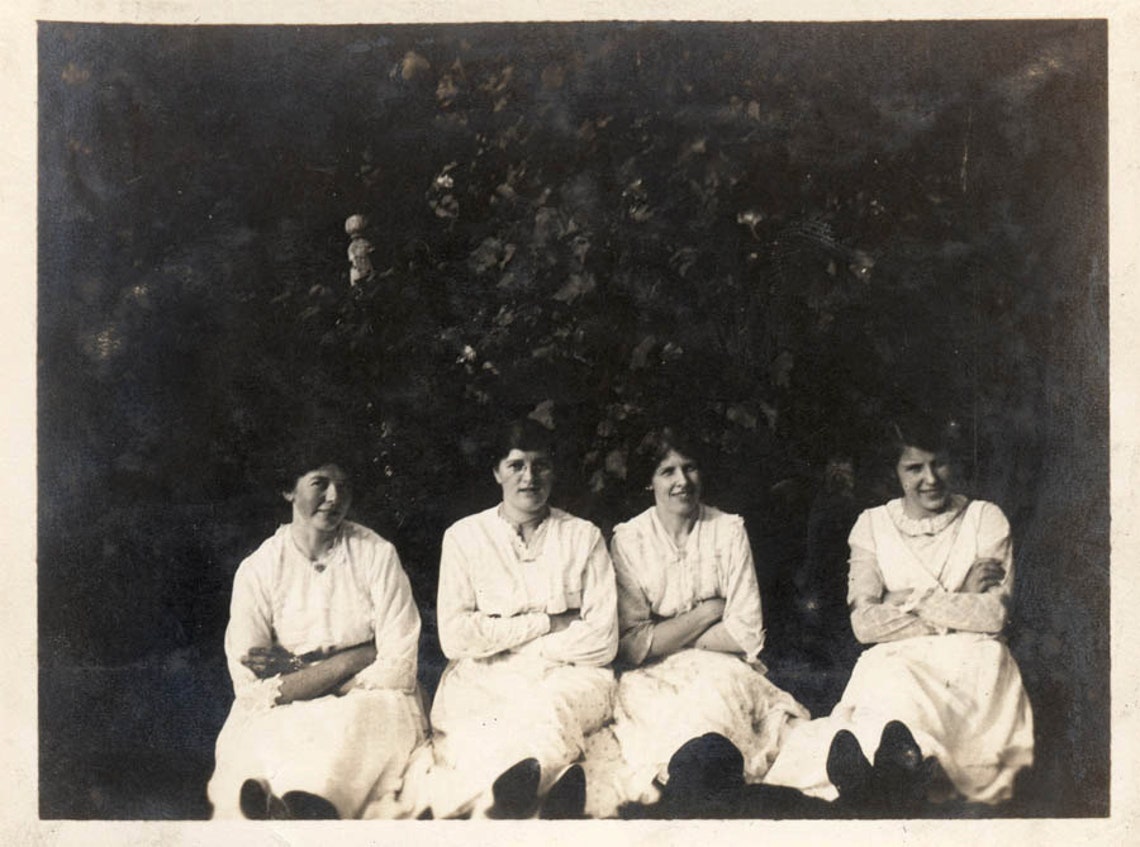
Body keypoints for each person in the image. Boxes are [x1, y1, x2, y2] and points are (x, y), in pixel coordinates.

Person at [763, 417, 1034, 811]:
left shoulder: (984, 518)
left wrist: (903, 599)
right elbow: (864, 624)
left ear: (953, 463)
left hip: (972, 657)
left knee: (946, 687)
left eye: (939, 464)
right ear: (895, 472)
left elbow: (993, 616)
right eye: (914, 468)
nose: (930, 479)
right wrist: (957, 597)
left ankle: (894, 777)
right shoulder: (872, 525)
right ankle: (883, 776)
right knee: (891, 682)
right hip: (897, 657)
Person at [597, 428, 810, 815]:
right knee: (669, 720)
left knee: (714, 700)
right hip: (651, 675)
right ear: (650, 481)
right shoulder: (630, 540)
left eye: (690, 468)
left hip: (721, 665)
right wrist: (709, 612)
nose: (682, 481)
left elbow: (745, 632)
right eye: (668, 471)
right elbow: (631, 644)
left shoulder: (727, 530)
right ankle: (686, 793)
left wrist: (666, 633)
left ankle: (717, 792)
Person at [207, 448, 428, 819]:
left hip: (371, 702)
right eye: (320, 483)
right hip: (289, 709)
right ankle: (278, 805)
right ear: (289, 491)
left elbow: (399, 669)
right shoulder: (258, 570)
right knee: (267, 742)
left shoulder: (376, 555)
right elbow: (251, 691)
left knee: (356, 724)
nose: (334, 497)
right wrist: (357, 657)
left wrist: (299, 674)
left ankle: (311, 804)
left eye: (343, 486)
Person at [426, 419, 619, 819]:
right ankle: (544, 791)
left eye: (541, 465)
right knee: (484, 734)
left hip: (569, 675)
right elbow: (456, 637)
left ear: (553, 471)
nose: (529, 478)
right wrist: (547, 623)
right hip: (484, 677)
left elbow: (602, 640)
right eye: (516, 465)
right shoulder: (464, 537)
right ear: (497, 472)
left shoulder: (584, 537)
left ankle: (523, 790)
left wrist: (501, 634)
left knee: (551, 706)